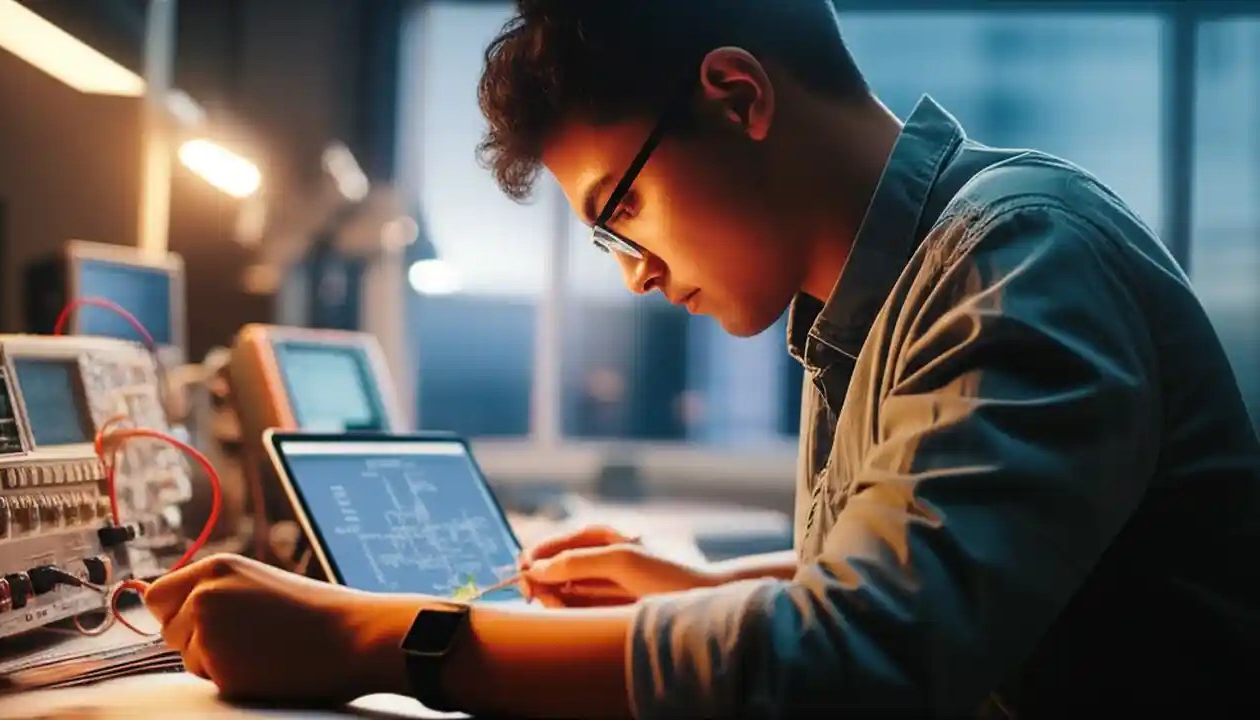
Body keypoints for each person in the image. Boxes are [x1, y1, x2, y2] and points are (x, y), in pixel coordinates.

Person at [144, 1, 1260, 717]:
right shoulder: (875, 300)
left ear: (735, 96)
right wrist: (703, 590)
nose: (630, 270)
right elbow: (938, 573)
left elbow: (857, 665)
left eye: (618, 209)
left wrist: (373, 638)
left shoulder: (1013, 255)